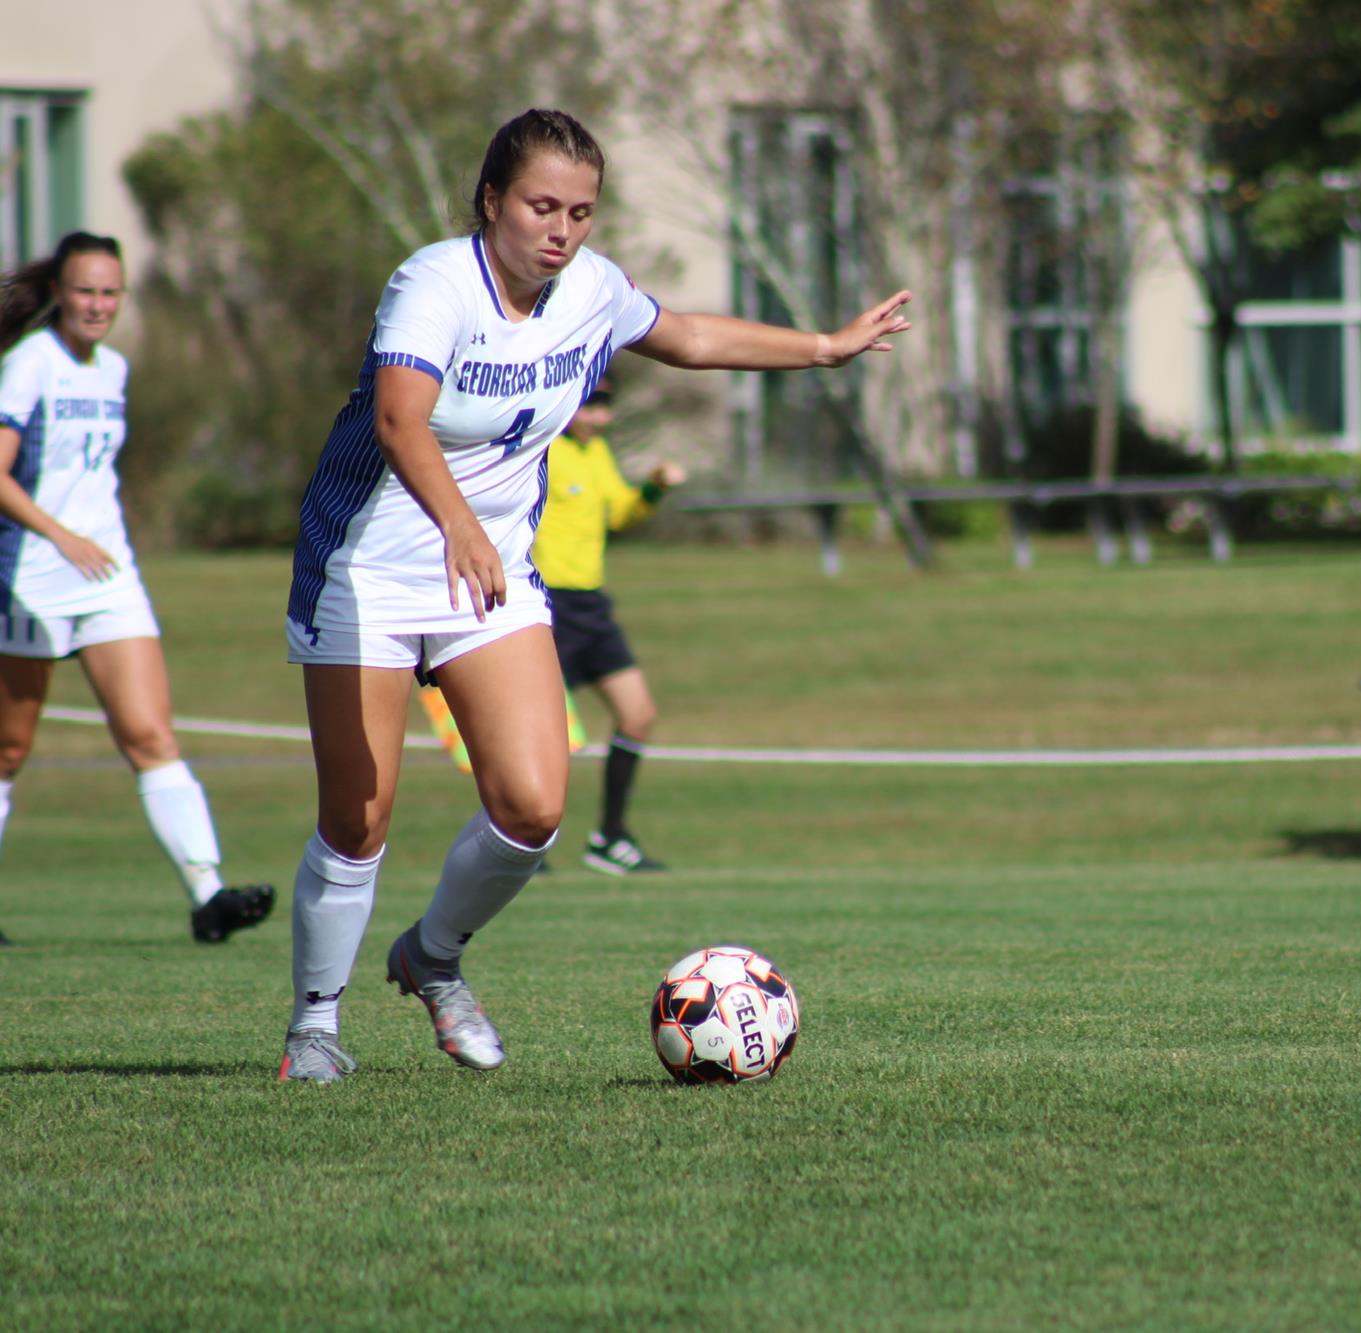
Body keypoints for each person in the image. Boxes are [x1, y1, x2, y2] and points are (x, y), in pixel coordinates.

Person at [279, 108, 912, 1083]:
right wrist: (456, 524)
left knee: (532, 808)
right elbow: (402, 420)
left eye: (579, 210)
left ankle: (431, 957)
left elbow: (688, 335)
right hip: (364, 569)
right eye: (541, 204)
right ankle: (315, 1026)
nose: (561, 228)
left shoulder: (591, 290)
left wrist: (824, 347)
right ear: (491, 199)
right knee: (358, 819)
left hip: (487, 580)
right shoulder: (435, 281)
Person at [0, 232, 275, 942]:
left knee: (152, 734)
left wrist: (89, 541)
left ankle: (208, 895)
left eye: (110, 292)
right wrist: (59, 534)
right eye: (86, 290)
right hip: (30, 577)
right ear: (59, 293)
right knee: (8, 749)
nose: (97, 304)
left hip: (108, 575)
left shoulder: (113, 369)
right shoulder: (30, 365)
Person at [532, 373, 682, 876]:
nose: (599, 416)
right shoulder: (541, 450)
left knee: (637, 714)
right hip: (547, 604)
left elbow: (619, 514)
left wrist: (653, 490)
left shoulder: (596, 455)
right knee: (547, 730)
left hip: (591, 605)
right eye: (590, 405)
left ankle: (610, 837)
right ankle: (524, 843)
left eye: (606, 406)